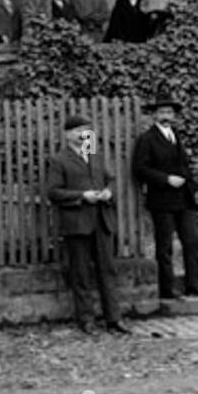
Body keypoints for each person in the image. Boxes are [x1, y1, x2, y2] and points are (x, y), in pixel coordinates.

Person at [47, 114, 130, 334]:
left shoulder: (96, 155)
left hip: (102, 221)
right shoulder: (58, 160)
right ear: (66, 135)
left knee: (107, 271)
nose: (82, 134)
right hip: (77, 223)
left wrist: (108, 192)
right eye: (77, 130)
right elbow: (53, 192)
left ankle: (114, 319)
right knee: (81, 273)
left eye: (85, 129)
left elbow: (111, 179)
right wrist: (83, 196)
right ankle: (86, 319)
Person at [132, 94, 198, 301]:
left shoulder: (176, 135)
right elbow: (140, 169)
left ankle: (194, 284)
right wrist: (166, 179)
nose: (166, 116)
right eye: (162, 112)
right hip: (162, 200)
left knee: (192, 242)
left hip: (184, 199)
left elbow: (184, 164)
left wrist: (189, 185)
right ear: (154, 115)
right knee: (164, 246)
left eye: (169, 112)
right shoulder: (146, 139)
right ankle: (167, 289)